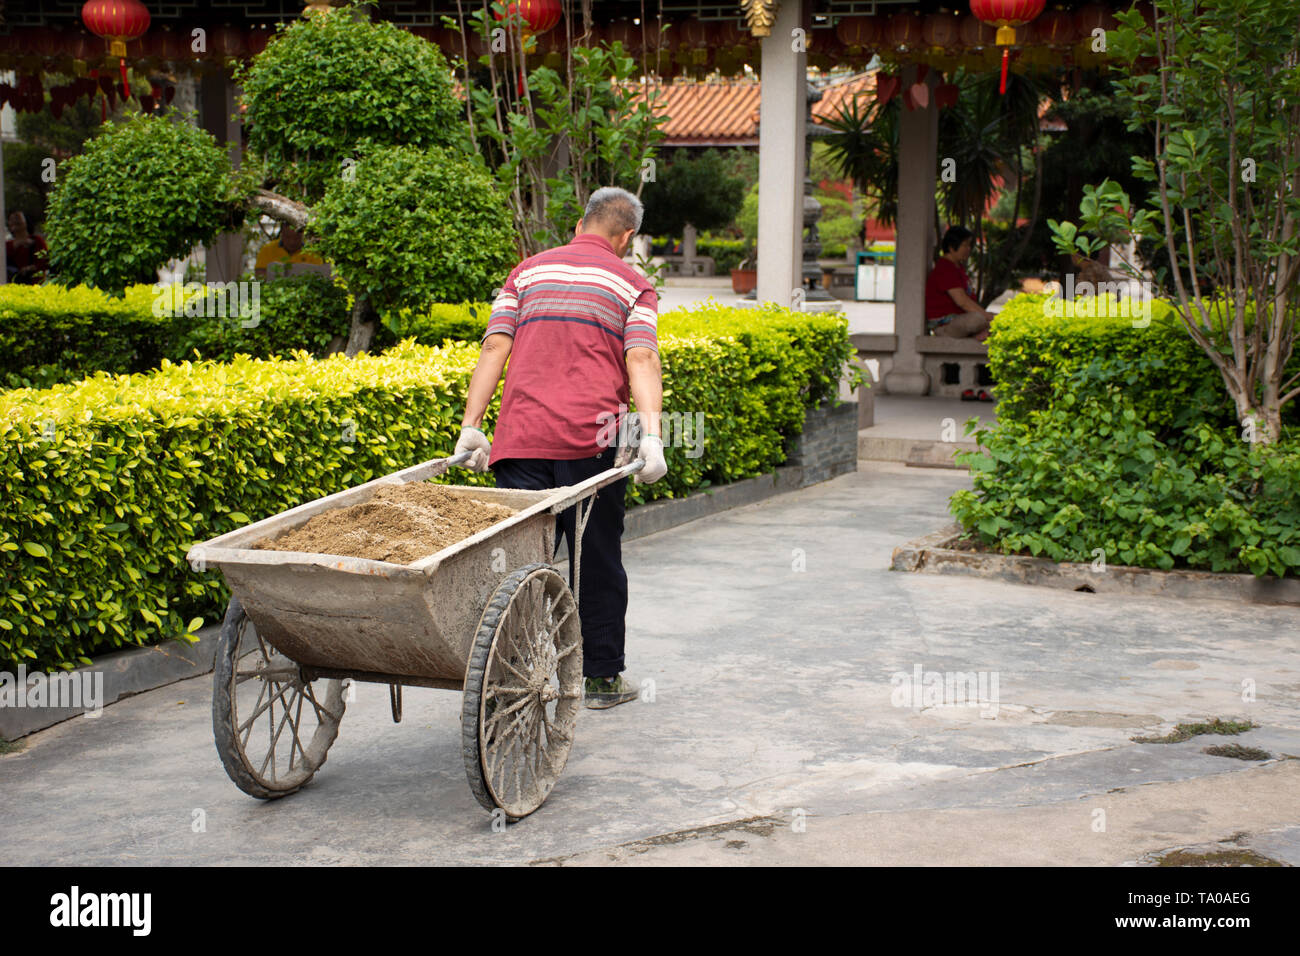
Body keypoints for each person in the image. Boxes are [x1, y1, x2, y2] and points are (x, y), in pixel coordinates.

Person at [455, 186, 667, 710]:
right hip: (591, 445)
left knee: (519, 565)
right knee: (594, 562)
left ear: (580, 223)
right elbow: (641, 358)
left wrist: (472, 425)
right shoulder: (633, 285)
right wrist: (654, 436)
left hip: (520, 440)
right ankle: (598, 680)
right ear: (627, 236)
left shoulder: (525, 273)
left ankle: (507, 679)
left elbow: (495, 345)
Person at [925, 226, 993, 341]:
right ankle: (980, 332)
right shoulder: (945, 269)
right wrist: (988, 317)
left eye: (969, 245)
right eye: (965, 245)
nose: (968, 249)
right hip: (946, 326)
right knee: (977, 319)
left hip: (960, 320)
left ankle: (980, 332)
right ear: (951, 247)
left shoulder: (957, 268)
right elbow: (962, 302)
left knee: (997, 317)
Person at [254, 226, 325, 279]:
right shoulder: (267, 249)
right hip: (274, 293)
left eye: (296, 238)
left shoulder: (312, 251)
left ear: (302, 235)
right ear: (282, 234)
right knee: (244, 292)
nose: (292, 242)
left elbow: (319, 276)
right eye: (288, 237)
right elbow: (259, 275)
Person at [6, 211, 48, 284]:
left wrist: (29, 268)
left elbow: (44, 262)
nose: (15, 220)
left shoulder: (37, 240)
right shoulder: (7, 245)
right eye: (12, 219)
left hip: (35, 284)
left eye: (18, 218)